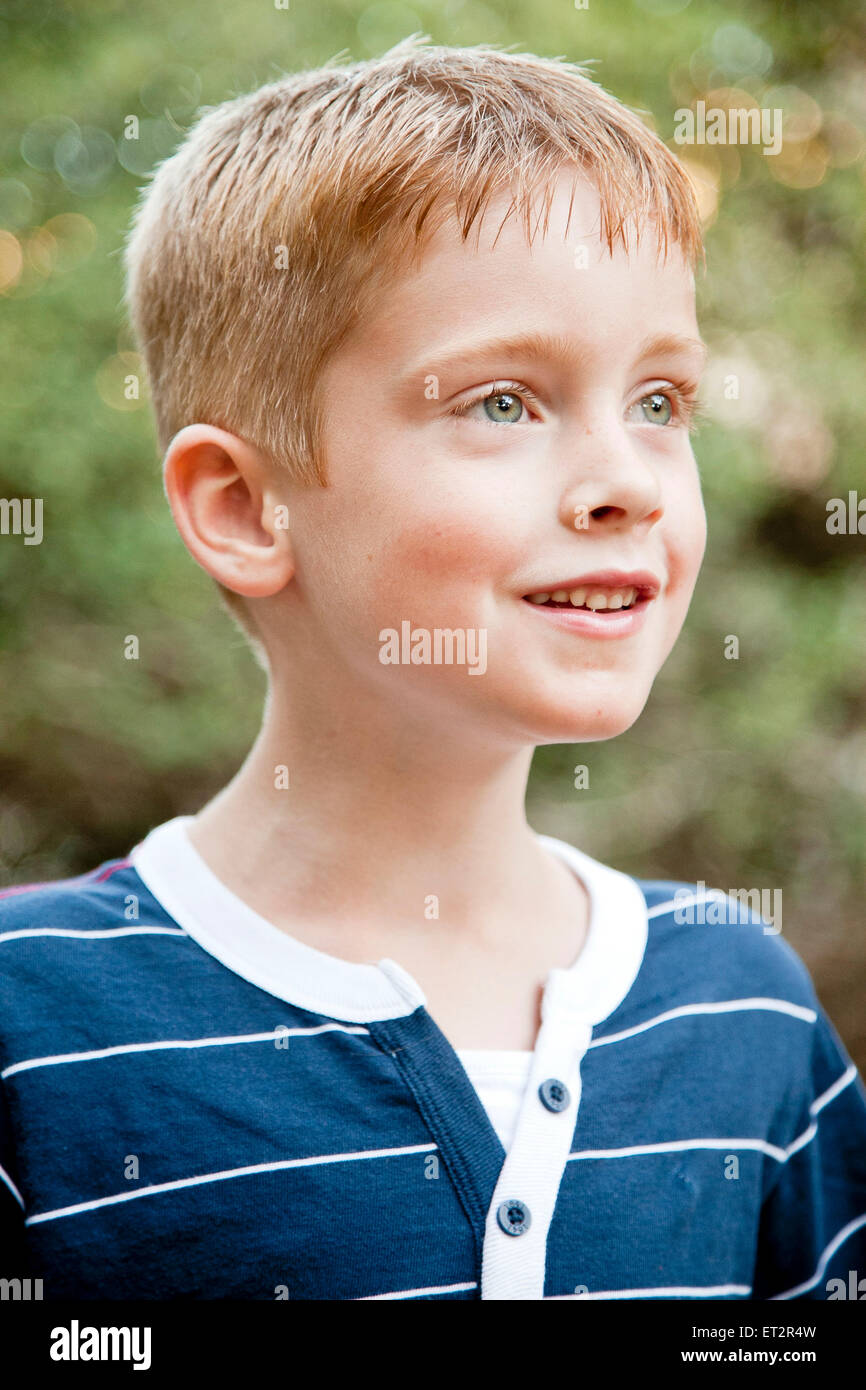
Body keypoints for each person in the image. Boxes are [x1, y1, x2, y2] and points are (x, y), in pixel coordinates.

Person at [1, 37, 864, 1301]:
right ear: (244, 507)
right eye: (503, 402)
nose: (627, 480)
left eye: (660, 401)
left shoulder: (744, 1010)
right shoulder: (32, 1026)